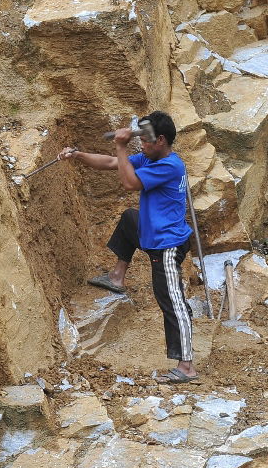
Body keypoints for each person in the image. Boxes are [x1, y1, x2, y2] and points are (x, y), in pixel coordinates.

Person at [58, 110, 198, 383]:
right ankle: (116, 277)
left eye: (145, 141)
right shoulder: (150, 157)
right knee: (129, 219)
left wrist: (121, 145)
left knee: (171, 301)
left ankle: (186, 366)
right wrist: (78, 155)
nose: (141, 146)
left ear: (160, 140)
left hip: (167, 244)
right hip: (151, 231)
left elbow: (128, 182)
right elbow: (113, 162)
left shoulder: (170, 166)